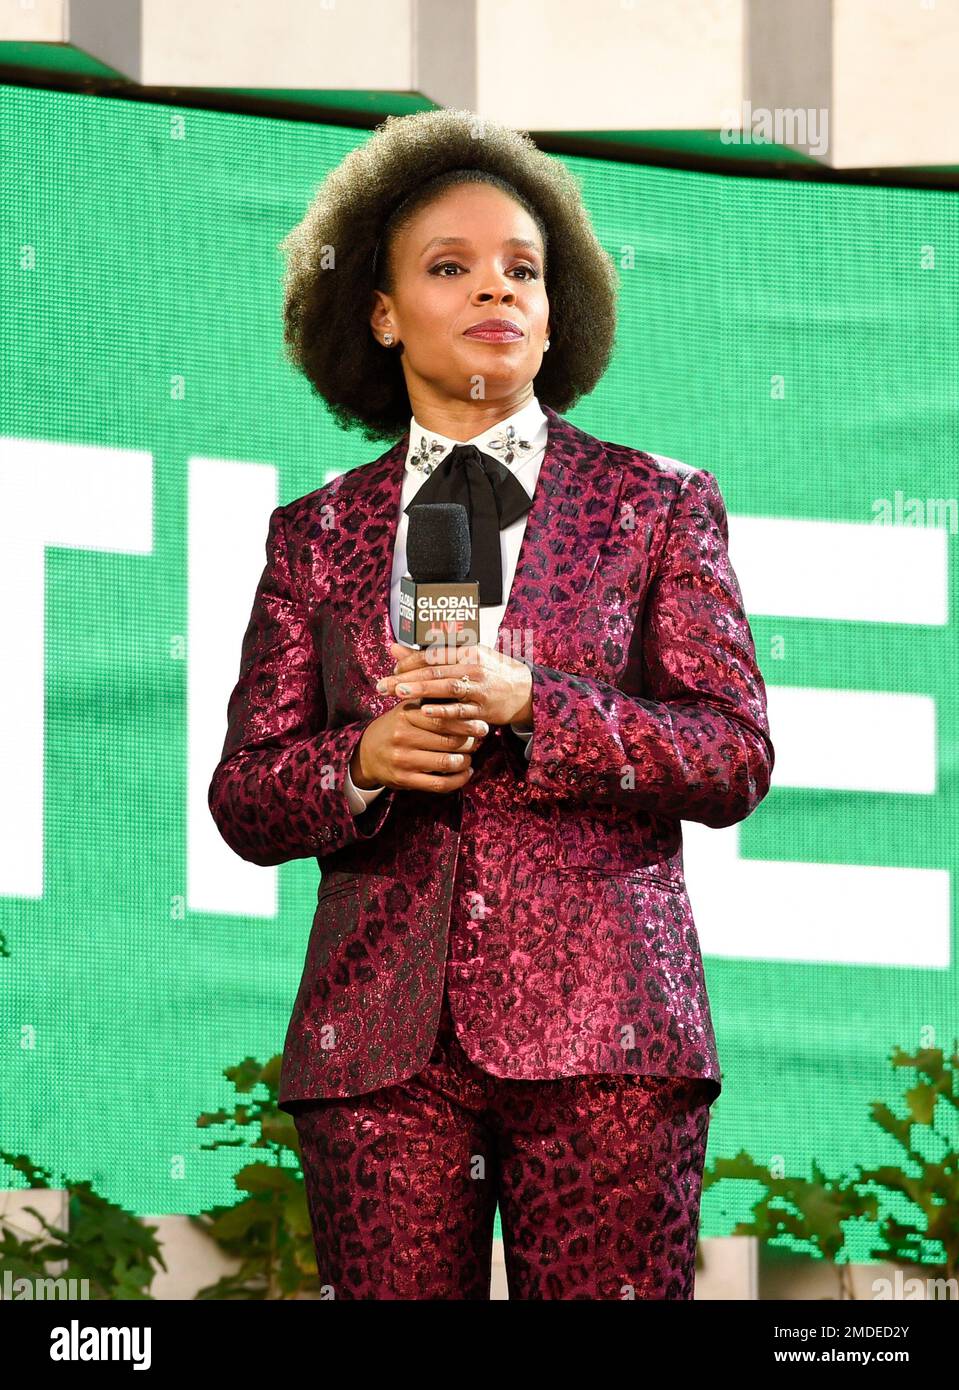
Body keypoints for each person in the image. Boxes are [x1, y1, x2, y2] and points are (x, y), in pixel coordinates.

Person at [208, 107, 775, 1300]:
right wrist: (359, 759)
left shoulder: (652, 504)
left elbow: (731, 755)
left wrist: (538, 703)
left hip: (609, 1039)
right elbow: (247, 797)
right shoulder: (314, 535)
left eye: (523, 268)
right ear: (377, 310)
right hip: (376, 1052)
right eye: (449, 267)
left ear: (556, 308)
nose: (493, 291)